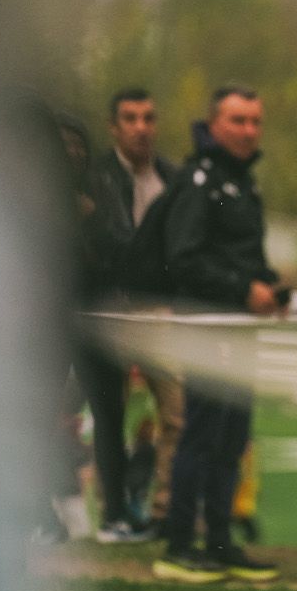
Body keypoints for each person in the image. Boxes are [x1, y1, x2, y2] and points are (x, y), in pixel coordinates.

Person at [153, 84, 285, 584]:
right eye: (238, 120)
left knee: (232, 438)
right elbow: (181, 259)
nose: (249, 130)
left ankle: (221, 543)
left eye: (255, 121)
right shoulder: (200, 179)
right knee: (202, 436)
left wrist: (269, 286)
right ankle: (180, 545)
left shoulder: (242, 182)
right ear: (213, 124)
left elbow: (245, 257)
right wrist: (240, 289)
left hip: (240, 328)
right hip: (208, 327)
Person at [88, 87, 185, 532]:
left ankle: (165, 511)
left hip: (156, 310)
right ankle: (114, 512)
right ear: (114, 126)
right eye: (130, 118)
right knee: (110, 414)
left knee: (177, 411)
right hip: (108, 309)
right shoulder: (96, 176)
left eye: (148, 117)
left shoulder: (172, 176)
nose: (141, 127)